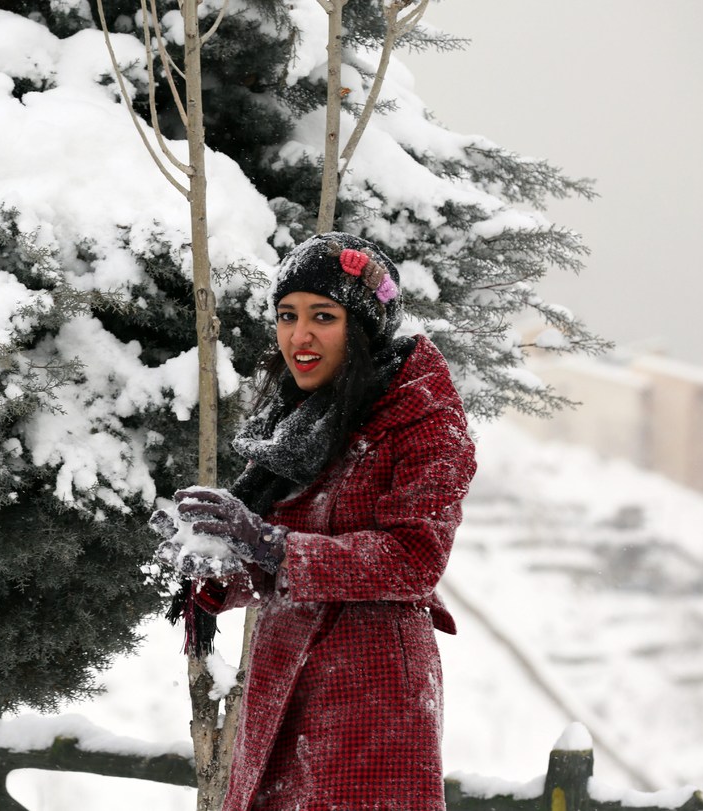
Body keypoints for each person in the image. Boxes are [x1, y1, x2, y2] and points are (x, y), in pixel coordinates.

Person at [152, 232, 477, 811]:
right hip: (284, 675)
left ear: (364, 326)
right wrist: (214, 562)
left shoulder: (424, 417)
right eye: (287, 315)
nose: (298, 337)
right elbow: (278, 557)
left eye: (322, 317)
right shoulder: (302, 420)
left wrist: (271, 545)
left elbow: (412, 560)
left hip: (371, 688)